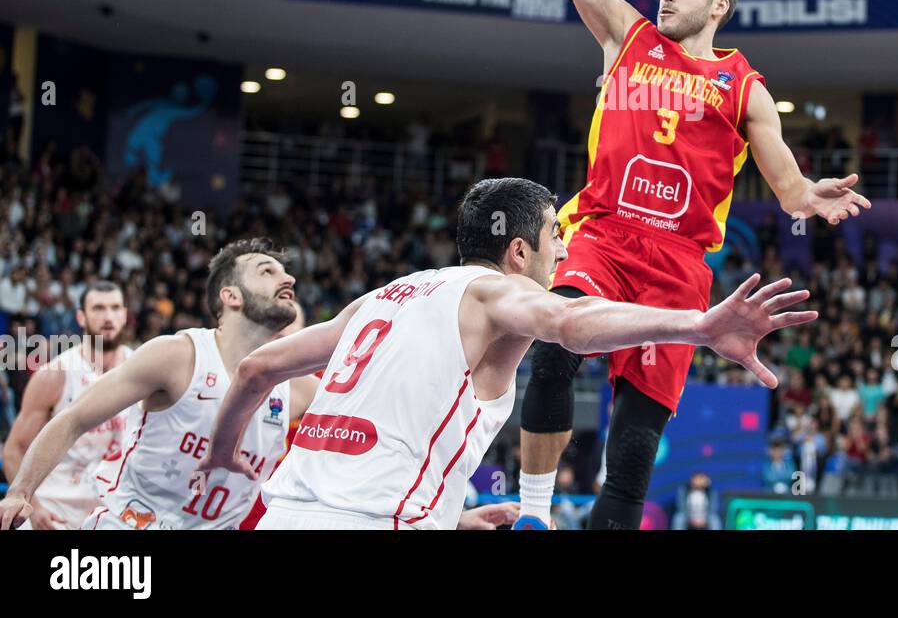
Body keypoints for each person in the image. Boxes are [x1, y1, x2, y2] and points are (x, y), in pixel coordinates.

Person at [516, 0, 870, 531]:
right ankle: (533, 516)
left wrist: (806, 195)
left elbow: (781, 176)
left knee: (636, 445)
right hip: (605, 236)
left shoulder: (744, 85)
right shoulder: (626, 38)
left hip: (679, 265)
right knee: (553, 347)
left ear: (718, 7)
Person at [190, 178, 813, 530]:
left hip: (285, 516)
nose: (564, 255)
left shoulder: (381, 298)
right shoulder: (496, 296)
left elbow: (257, 369)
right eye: (554, 237)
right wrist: (698, 327)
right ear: (519, 252)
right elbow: (572, 321)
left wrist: (222, 457)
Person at [0, 239, 317, 530]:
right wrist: (21, 492)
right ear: (231, 295)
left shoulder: (299, 387)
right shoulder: (176, 356)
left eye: (286, 272)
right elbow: (72, 419)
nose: (288, 278)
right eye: (268, 271)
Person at [3, 283, 132, 529]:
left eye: (115, 308)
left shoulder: (144, 369)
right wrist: (35, 509)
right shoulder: (55, 373)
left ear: (125, 315)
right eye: (98, 308)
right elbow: (13, 450)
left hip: (116, 512)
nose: (108, 316)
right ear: (81, 317)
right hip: (55, 511)